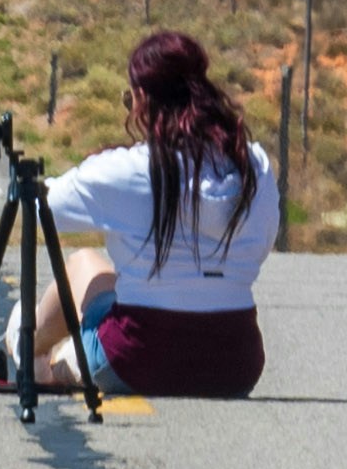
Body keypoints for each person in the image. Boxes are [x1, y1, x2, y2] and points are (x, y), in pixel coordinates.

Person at [29, 27, 280, 399]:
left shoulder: (129, 170)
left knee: (83, 265)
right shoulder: (254, 166)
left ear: (142, 98)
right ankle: (41, 356)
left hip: (138, 361)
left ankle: (29, 353)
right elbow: (262, 244)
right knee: (104, 280)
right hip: (235, 367)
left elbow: (40, 208)